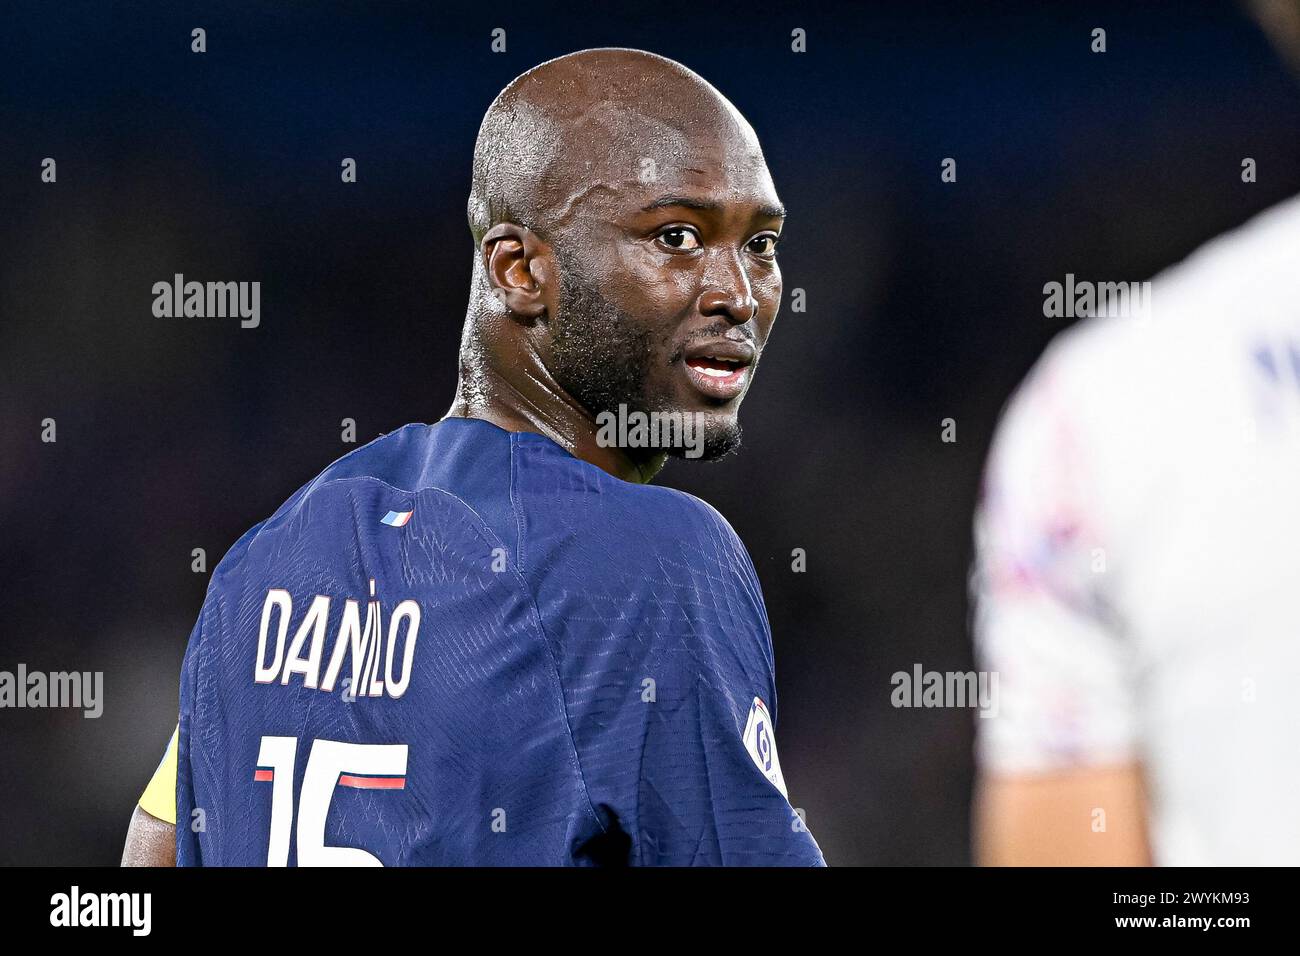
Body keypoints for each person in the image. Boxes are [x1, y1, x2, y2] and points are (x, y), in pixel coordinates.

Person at [121, 47, 823, 867]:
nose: (737, 292)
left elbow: (153, 849)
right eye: (677, 236)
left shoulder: (263, 560)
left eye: (763, 245)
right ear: (519, 270)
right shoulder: (654, 562)